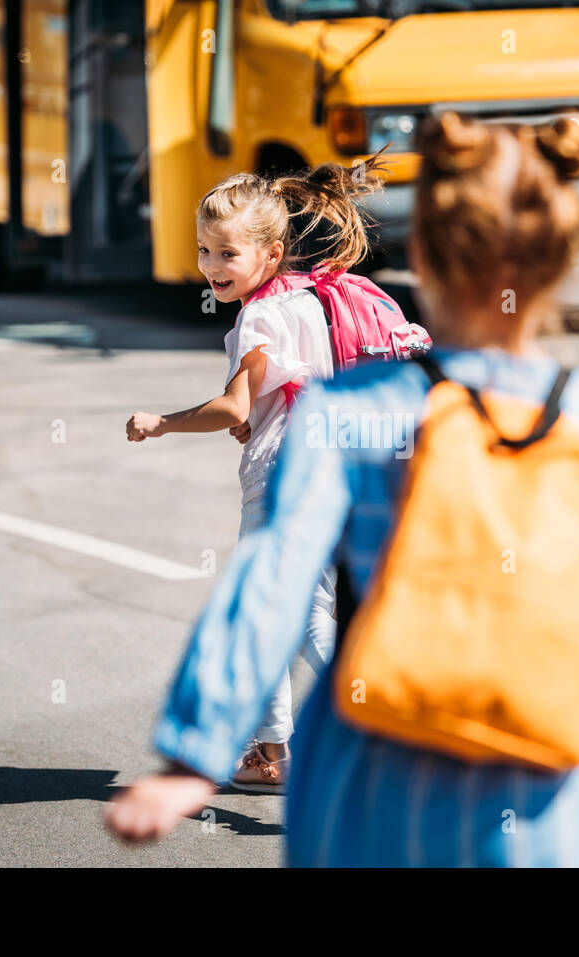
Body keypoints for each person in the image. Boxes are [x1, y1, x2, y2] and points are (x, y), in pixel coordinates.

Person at [106, 112, 579, 865]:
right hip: (564, 797)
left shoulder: (347, 417)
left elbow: (267, 586)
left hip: (381, 796)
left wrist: (191, 760)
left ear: (425, 263)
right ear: (560, 261)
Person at [124, 157, 387, 792]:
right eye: (204, 251)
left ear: (271, 253)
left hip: (280, 481)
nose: (211, 266)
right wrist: (258, 412)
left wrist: (162, 421)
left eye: (226, 253)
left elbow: (234, 407)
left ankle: (352, 732)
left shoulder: (261, 316)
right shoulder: (312, 298)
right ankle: (284, 749)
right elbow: (285, 391)